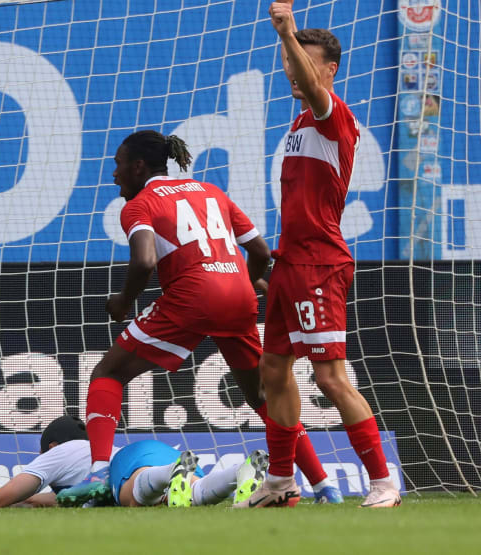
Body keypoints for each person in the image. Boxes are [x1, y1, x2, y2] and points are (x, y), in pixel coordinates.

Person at [71, 130, 340, 505]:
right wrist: (242, 281)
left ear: (138, 167)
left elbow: (145, 260)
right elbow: (261, 251)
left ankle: (99, 470)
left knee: (108, 373)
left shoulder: (139, 204)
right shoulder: (210, 191)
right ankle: (325, 486)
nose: (113, 175)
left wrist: (122, 302)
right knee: (267, 398)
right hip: (238, 296)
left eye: (117, 165)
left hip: (191, 297)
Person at [237, 0, 400, 509]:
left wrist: (286, 29)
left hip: (320, 265)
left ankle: (382, 482)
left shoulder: (335, 118)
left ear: (328, 71)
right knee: (274, 370)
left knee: (329, 376)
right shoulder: (301, 122)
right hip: (291, 264)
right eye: (289, 58)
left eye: (303, 62)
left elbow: (311, 82)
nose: (291, 67)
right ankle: (282, 482)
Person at [0, 416, 265, 510]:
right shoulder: (91, 456)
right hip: (158, 451)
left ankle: (171, 474)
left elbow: (1, 498)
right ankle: (241, 471)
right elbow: (43, 499)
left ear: (52, 447)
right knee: (197, 494)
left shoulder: (60, 453)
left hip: (132, 465)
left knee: (132, 496)